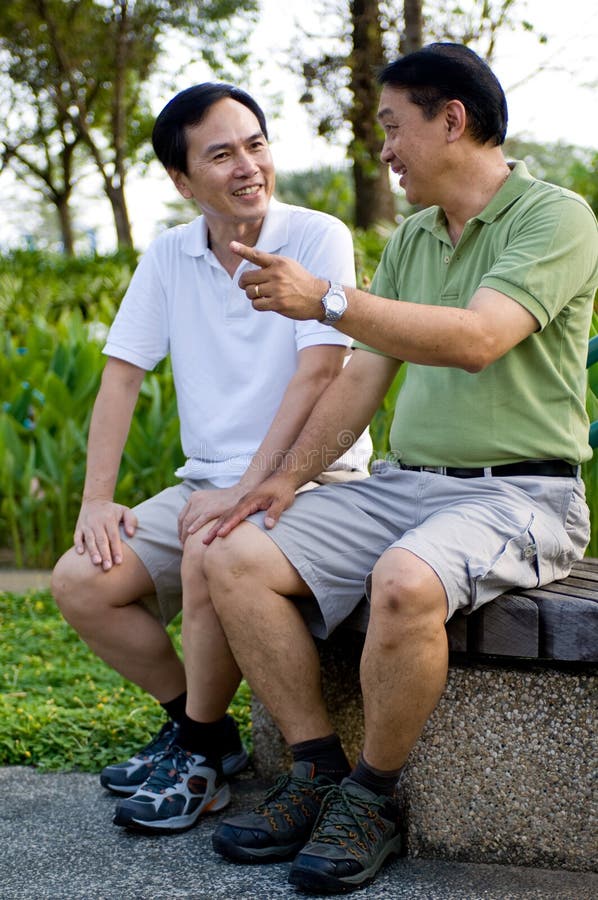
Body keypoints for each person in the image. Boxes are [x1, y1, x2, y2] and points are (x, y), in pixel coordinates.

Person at [199, 44, 598, 894]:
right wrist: (286, 479)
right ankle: (315, 772)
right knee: (232, 553)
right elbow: (364, 375)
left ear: (451, 119)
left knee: (405, 583)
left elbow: (479, 341)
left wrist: (328, 300)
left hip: (523, 492)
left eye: (392, 127)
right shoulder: (416, 235)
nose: (384, 148)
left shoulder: (554, 218)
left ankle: (372, 798)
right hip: (405, 485)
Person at [51, 82, 372, 833]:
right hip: (205, 482)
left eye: (255, 145)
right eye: (221, 154)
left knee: (207, 543)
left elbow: (321, 372)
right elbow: (122, 373)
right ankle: (206, 734)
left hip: (309, 482)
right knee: (80, 581)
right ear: (181, 178)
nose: (247, 166)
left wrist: (248, 488)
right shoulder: (169, 254)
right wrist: (97, 500)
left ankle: (193, 758)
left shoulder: (316, 236)